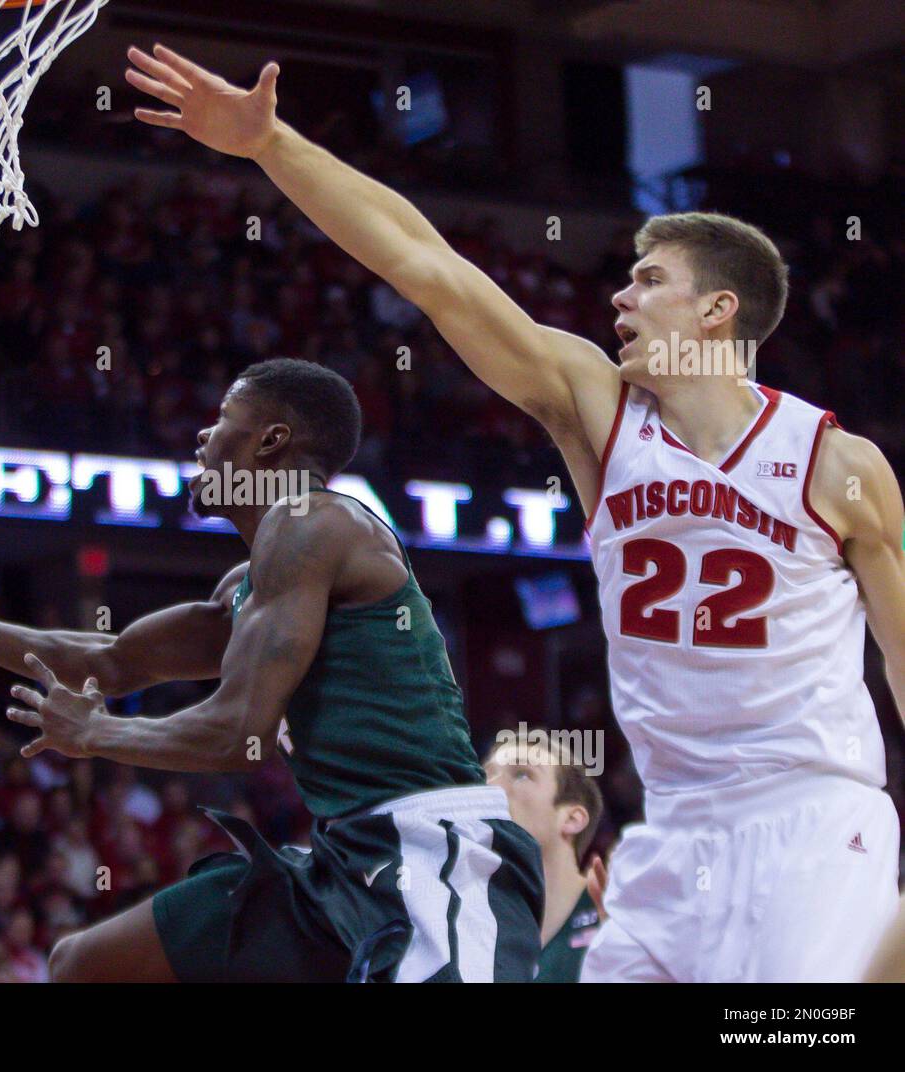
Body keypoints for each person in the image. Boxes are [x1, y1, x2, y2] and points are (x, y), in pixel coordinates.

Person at [123, 44, 905, 983]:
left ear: (718, 311)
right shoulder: (596, 411)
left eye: (651, 279)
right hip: (676, 826)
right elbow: (430, 268)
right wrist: (273, 145)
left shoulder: (837, 465)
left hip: (814, 817)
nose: (619, 293)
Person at [0, 358, 543, 982]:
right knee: (85, 964)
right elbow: (110, 664)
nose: (201, 437)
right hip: (341, 858)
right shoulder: (249, 585)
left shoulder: (315, 522)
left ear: (271, 441)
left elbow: (237, 733)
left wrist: (96, 734)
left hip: (432, 849)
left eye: (221, 419)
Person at [485, 731, 604, 983]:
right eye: (485, 775)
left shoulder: (619, 914)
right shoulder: (466, 922)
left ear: (572, 819)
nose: (491, 786)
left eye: (521, 774)